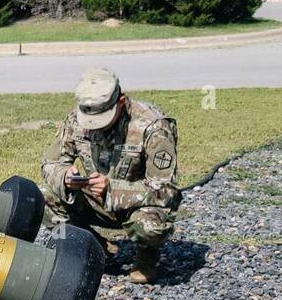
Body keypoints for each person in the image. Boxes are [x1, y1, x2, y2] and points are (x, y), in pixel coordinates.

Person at [40, 67, 180, 284]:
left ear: (121, 102)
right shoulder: (75, 120)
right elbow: (50, 163)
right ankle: (95, 246)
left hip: (137, 206)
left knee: (150, 228)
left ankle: (146, 255)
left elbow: (166, 191)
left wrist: (112, 189)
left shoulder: (153, 126)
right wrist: (64, 176)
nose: (95, 126)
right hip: (94, 199)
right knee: (43, 198)